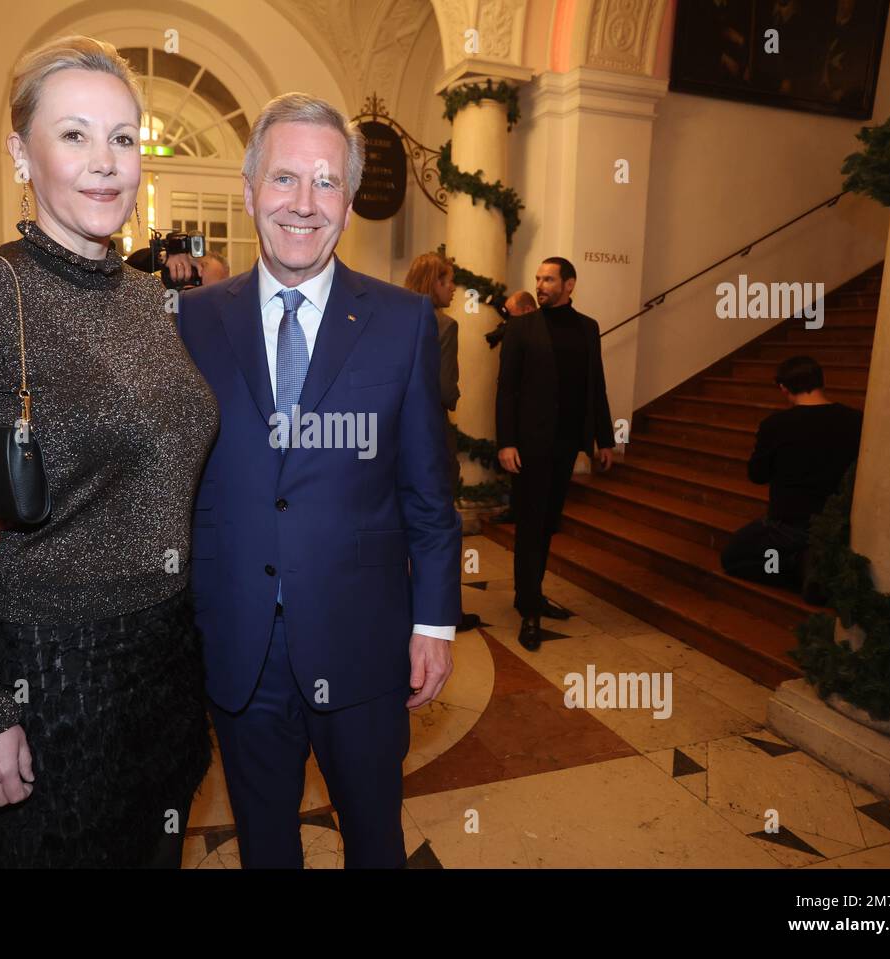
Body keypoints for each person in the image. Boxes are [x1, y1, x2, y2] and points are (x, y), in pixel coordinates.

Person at [0, 35, 218, 868]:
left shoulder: (153, 301)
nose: (106, 162)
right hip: (48, 669)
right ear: (20, 151)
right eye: (74, 135)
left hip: (167, 655)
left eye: (122, 137)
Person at [176, 93, 461, 868]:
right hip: (238, 644)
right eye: (285, 179)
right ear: (249, 190)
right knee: (266, 846)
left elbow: (429, 492)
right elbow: (165, 478)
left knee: (374, 838)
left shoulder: (404, 324)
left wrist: (434, 621)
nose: (304, 204)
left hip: (365, 641)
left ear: (349, 201)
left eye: (327, 182)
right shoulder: (190, 320)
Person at [495, 257, 615, 651]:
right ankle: (529, 608)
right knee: (530, 525)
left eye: (549, 279)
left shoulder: (588, 328)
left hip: (567, 445)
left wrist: (605, 438)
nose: (541, 285)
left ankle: (529, 593)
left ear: (569, 284)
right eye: (538, 279)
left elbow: (596, 385)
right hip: (529, 446)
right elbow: (507, 389)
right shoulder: (522, 327)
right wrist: (506, 441)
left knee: (547, 524)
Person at [721, 355, 862, 598]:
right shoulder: (856, 420)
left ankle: (797, 565)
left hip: (787, 525)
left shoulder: (775, 425)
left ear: (783, 388)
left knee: (733, 557)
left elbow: (757, 475)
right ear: (821, 382)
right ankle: (811, 561)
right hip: (836, 522)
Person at [403, 251, 480, 633]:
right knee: (438, 523)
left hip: (390, 436)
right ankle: (444, 613)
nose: (452, 289)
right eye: (448, 281)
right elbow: (445, 390)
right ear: (434, 281)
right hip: (431, 435)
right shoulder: (444, 325)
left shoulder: (392, 315)